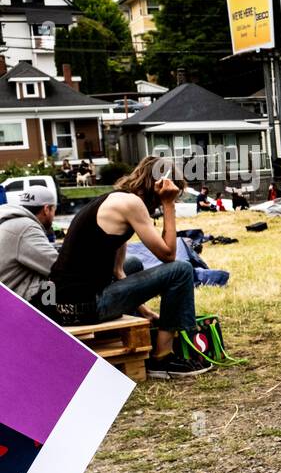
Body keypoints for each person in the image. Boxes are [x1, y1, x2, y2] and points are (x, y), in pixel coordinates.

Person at [49, 156, 210, 379]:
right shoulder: (132, 205)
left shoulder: (116, 200)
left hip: (62, 302)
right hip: (82, 308)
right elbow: (168, 255)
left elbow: (118, 271)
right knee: (181, 270)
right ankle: (163, 357)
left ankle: (148, 334)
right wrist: (169, 205)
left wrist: (143, 310)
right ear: (160, 186)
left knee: (133, 263)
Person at [0, 187, 58, 304]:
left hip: (6, 293)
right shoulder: (26, 227)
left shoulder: (10, 221)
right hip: (11, 305)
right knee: (58, 285)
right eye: (54, 210)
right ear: (47, 209)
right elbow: (56, 265)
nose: (53, 215)